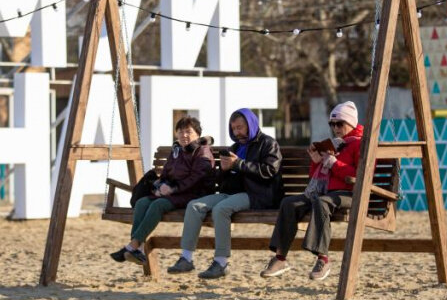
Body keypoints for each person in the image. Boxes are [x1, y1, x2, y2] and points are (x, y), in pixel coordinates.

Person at [168, 108, 282, 280]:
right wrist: (224, 170)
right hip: (232, 193)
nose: (237, 132)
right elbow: (223, 180)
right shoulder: (235, 147)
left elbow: (270, 170)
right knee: (195, 205)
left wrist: (238, 164)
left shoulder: (268, 143)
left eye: (240, 127)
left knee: (221, 209)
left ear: (251, 125)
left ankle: (221, 262)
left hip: (257, 194)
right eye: (234, 128)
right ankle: (186, 258)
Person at [261, 101, 363, 282]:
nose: (336, 128)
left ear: (351, 123)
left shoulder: (360, 144)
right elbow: (315, 179)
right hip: (324, 193)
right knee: (289, 203)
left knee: (322, 202)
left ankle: (323, 258)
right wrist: (317, 161)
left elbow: (360, 175)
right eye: (332, 124)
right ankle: (280, 257)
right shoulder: (334, 144)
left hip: (350, 193)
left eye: (340, 124)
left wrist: (333, 163)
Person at [110, 116, 214, 266]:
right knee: (142, 202)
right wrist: (160, 185)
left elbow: (196, 178)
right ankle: (136, 247)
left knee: (157, 205)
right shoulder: (177, 150)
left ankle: (132, 246)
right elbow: (166, 172)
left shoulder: (202, 151)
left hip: (193, 194)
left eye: (188, 132)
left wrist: (173, 188)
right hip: (173, 193)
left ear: (197, 134)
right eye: (180, 132)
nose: (184, 135)